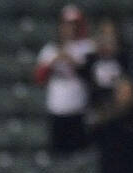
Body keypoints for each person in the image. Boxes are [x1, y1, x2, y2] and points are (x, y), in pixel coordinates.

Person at [35, 6, 95, 154]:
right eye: (66, 24)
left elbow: (92, 76)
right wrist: (53, 61)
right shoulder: (50, 49)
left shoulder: (87, 47)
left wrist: (72, 61)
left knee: (80, 151)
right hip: (57, 107)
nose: (70, 28)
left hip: (79, 107)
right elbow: (39, 79)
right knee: (59, 152)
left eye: (74, 24)